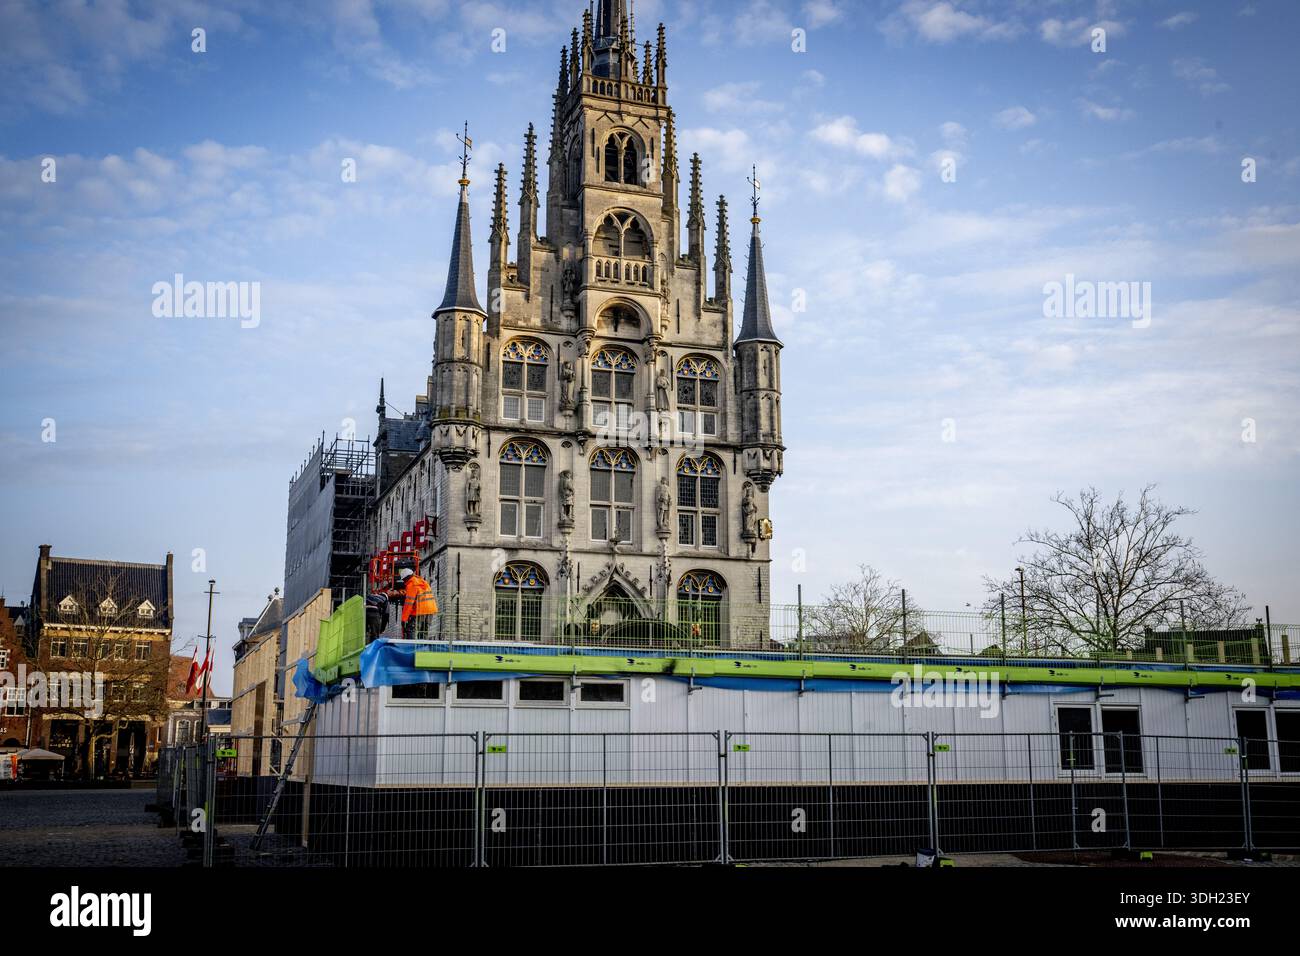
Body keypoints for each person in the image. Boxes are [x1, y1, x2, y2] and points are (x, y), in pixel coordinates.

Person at [388, 567, 438, 639]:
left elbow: (409, 604)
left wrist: (404, 619)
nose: (404, 582)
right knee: (424, 631)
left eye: (404, 579)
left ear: (406, 578)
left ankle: (410, 648)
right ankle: (422, 648)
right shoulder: (422, 582)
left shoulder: (411, 584)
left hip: (419, 611)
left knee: (411, 630)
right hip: (430, 610)